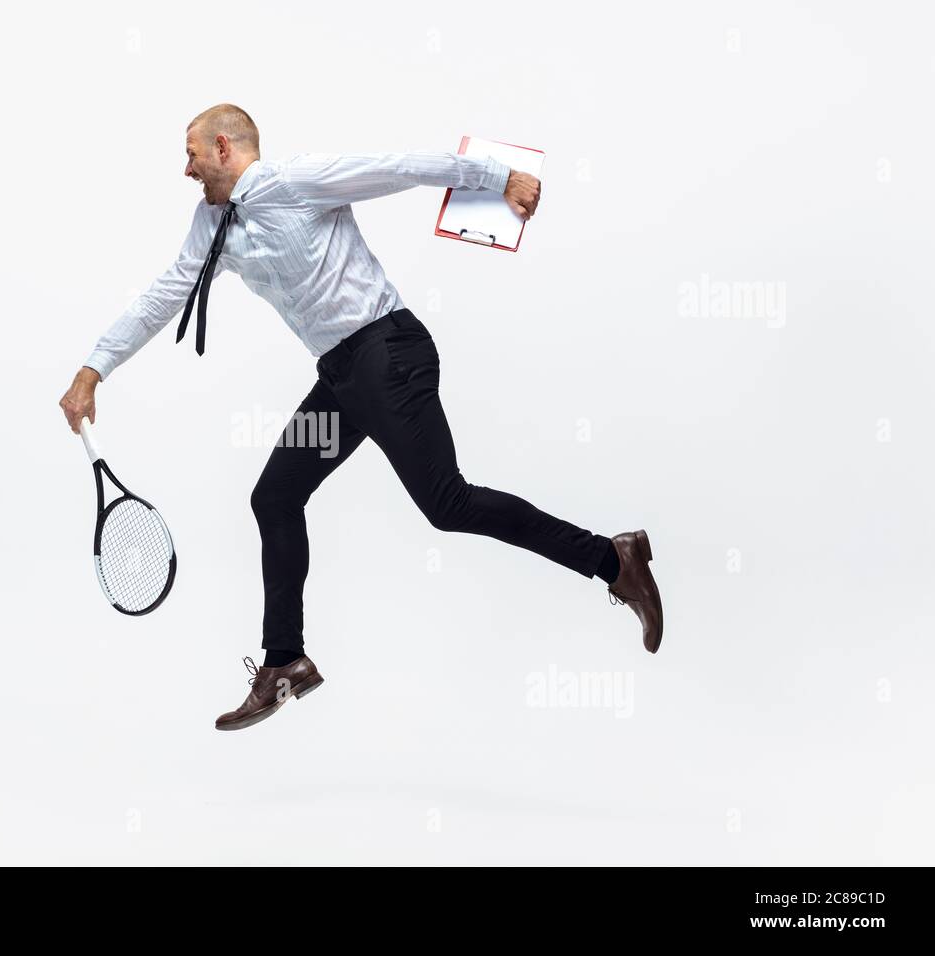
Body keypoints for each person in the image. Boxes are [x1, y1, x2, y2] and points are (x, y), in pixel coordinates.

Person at [59, 103, 663, 732]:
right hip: (345, 379)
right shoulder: (214, 222)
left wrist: (496, 176)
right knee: (275, 496)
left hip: (388, 354)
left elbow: (398, 168)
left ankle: (612, 558)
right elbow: (166, 292)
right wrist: (92, 370)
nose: (184, 169)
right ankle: (285, 662)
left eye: (189, 154)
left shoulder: (294, 183)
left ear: (221, 147)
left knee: (447, 504)